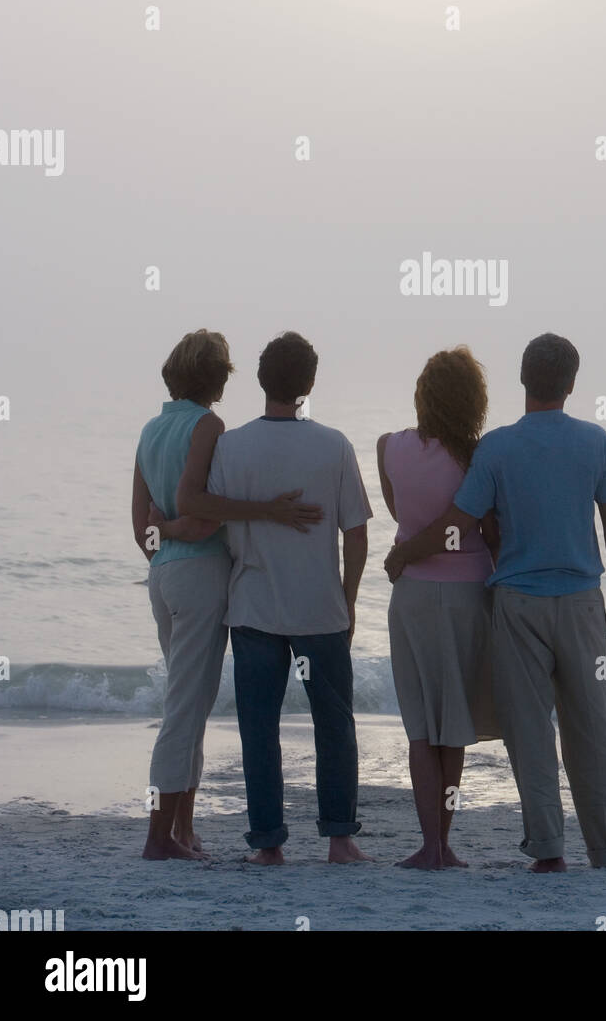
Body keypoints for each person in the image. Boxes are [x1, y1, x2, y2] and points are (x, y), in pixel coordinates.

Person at [386, 332, 606, 874]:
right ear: (571, 385)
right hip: (582, 603)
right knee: (593, 726)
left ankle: (548, 852)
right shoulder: (596, 443)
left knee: (529, 732)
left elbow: (460, 521)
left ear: (523, 380)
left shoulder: (497, 447)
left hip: (518, 604)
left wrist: (405, 552)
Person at [176, 331, 372, 866]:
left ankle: (268, 846)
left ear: (261, 380)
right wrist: (349, 598)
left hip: (254, 605)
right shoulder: (333, 444)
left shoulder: (232, 444)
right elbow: (356, 534)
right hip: (319, 608)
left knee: (258, 729)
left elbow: (210, 512)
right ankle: (339, 839)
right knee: (334, 724)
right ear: (309, 384)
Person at [132, 328, 317, 862]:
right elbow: (201, 504)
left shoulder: (149, 430)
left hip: (162, 577)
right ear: (215, 378)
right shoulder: (208, 425)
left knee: (190, 701)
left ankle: (183, 829)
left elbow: (143, 528)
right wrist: (265, 511)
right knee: (184, 709)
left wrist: (168, 539)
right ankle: (159, 837)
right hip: (199, 576)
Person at [377, 347, 500, 870]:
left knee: (422, 728)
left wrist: (408, 550)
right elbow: (467, 530)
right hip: (469, 595)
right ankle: (442, 845)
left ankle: (429, 845)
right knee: (454, 727)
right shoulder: (479, 458)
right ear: (474, 401)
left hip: (412, 597)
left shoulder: (388, 447)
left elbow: (401, 515)